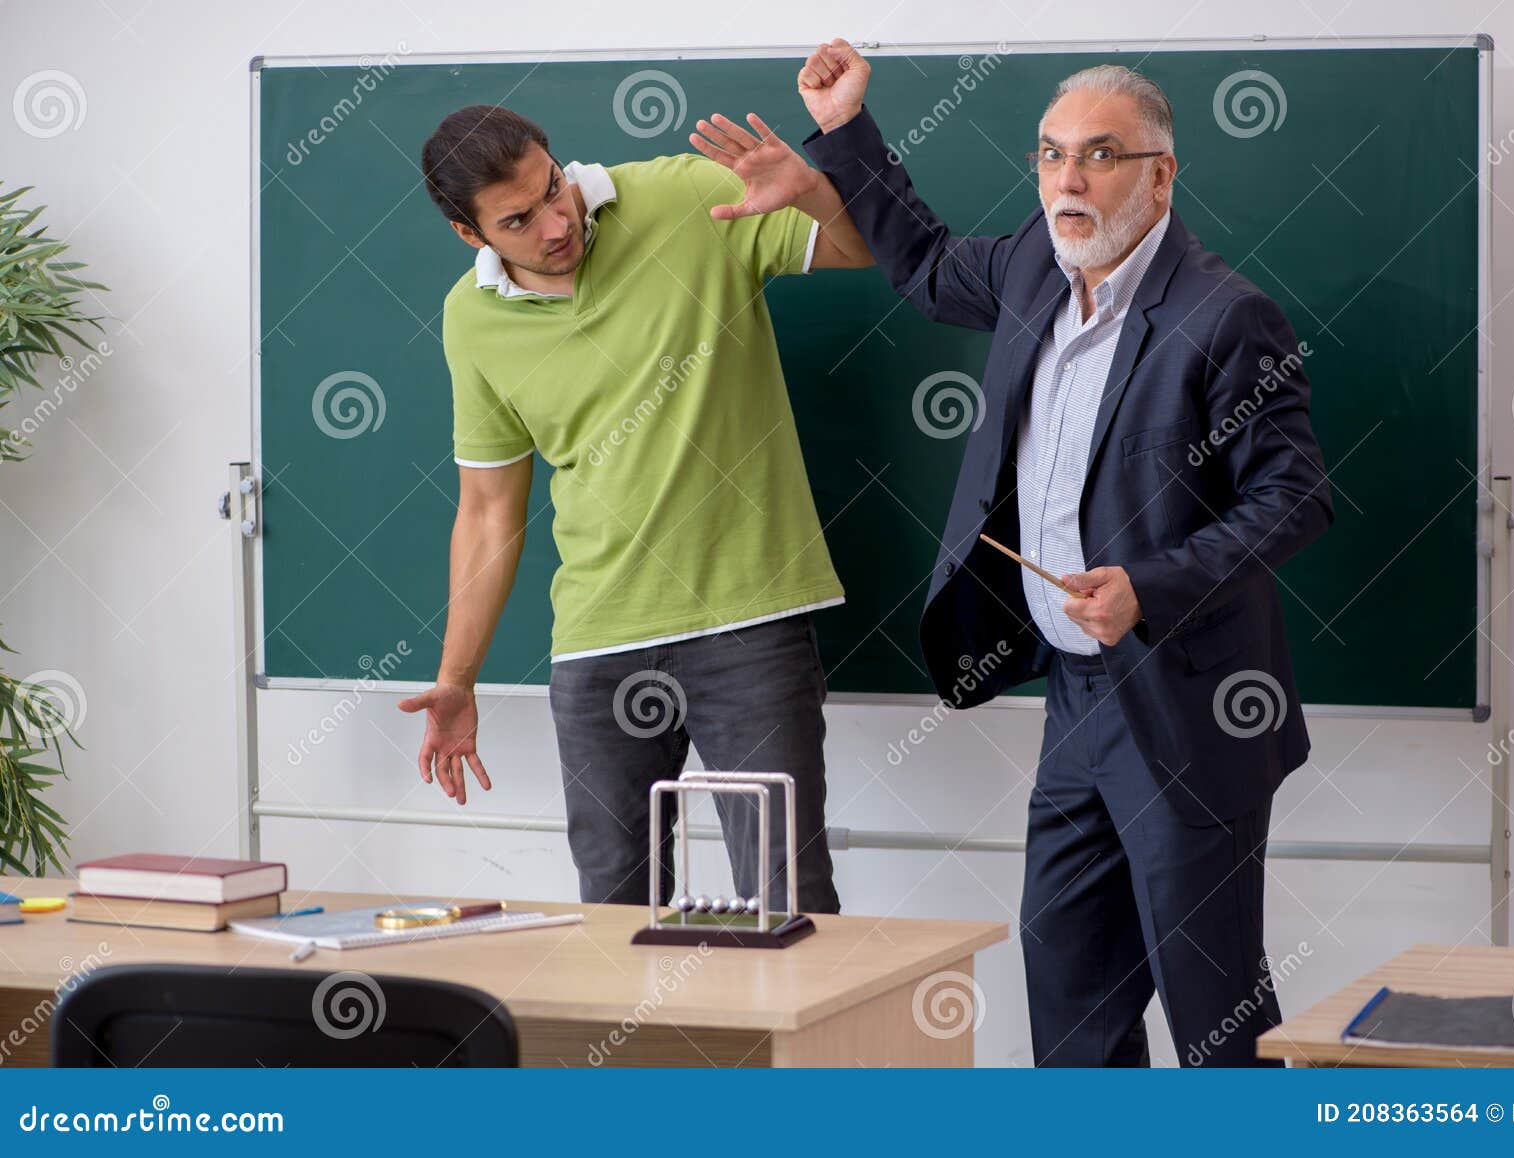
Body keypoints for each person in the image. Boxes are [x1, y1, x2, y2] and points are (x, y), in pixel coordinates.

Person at [774, 41, 1335, 1064]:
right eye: (1049, 154)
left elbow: (1295, 497)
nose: (1066, 179)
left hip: (1187, 705)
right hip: (1075, 704)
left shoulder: (1224, 316)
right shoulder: (1038, 263)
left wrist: (1150, 587)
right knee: (1070, 1001)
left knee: (1211, 1014)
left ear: (1159, 175)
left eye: (1099, 155)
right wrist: (847, 128)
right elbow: (926, 262)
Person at [399, 103, 873, 915]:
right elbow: (486, 509)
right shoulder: (471, 319)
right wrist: (456, 679)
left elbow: (859, 249)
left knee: (790, 905)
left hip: (749, 625)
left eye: (553, 190)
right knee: (611, 921)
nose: (554, 224)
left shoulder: (687, 195)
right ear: (468, 235)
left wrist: (818, 192)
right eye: (517, 219)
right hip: (598, 646)